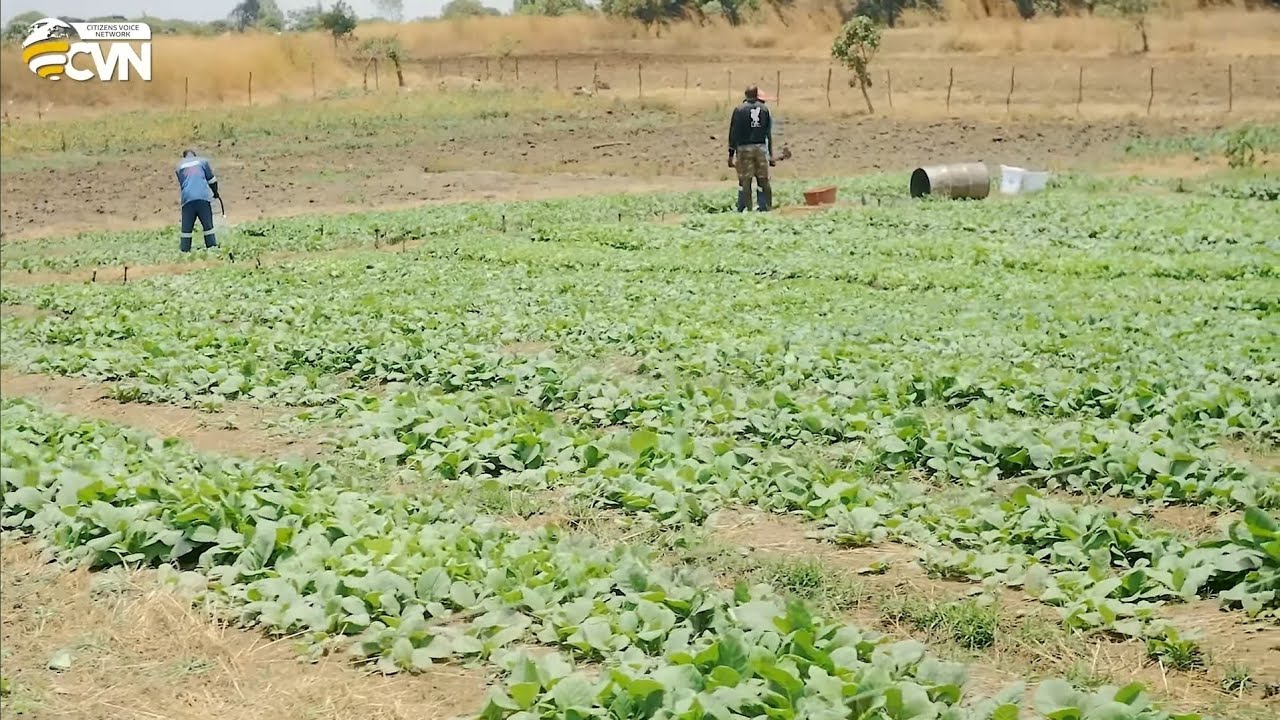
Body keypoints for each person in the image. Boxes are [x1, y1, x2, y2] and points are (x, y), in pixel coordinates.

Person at [728, 85, 774, 212]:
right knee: (763, 179)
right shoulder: (765, 109)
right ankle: (766, 206)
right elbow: (768, 134)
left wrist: (731, 153)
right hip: (760, 148)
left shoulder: (739, 110)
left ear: (745, 94)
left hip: (744, 148)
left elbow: (734, 133)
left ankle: (747, 209)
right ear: (756, 95)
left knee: (745, 179)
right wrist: (771, 154)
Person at [175, 149, 219, 252]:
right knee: (208, 226)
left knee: (186, 229)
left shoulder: (179, 166)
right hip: (203, 197)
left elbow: (183, 182)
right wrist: (215, 193)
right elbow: (212, 180)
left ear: (184, 157)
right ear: (195, 155)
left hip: (187, 199)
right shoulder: (202, 161)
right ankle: (211, 247)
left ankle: (185, 250)